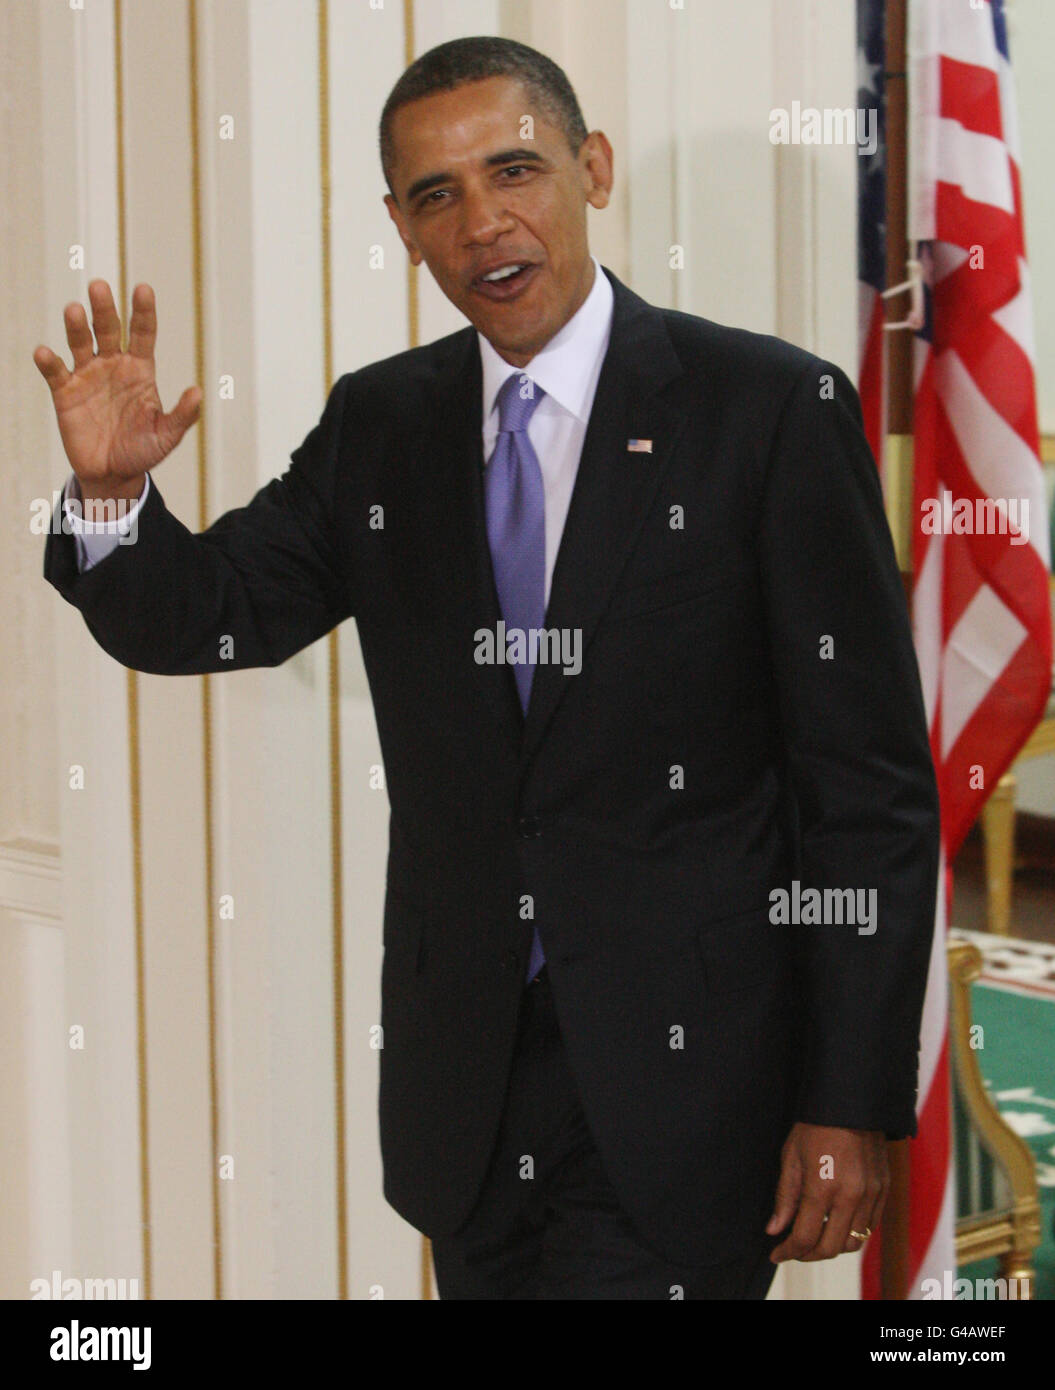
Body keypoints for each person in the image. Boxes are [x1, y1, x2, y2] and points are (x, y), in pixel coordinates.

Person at [35, 37, 941, 1300]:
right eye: (434, 195)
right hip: (466, 1095)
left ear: (594, 169)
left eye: (513, 169)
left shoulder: (770, 411)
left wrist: (845, 1094)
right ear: (399, 228)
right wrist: (111, 496)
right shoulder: (381, 423)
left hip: (690, 1092)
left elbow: (869, 792)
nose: (481, 222)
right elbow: (210, 614)